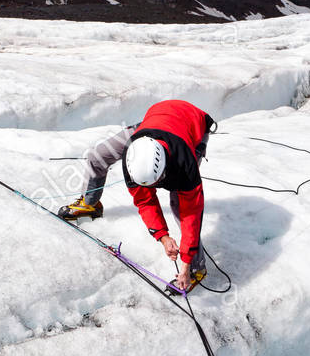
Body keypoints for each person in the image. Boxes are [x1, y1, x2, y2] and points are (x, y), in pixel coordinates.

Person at [58, 99, 215, 293]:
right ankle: (90, 203)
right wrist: (163, 237)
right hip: (156, 121)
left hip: (193, 123)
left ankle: (195, 269)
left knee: (178, 204)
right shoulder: (132, 156)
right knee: (97, 156)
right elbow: (144, 200)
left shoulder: (184, 164)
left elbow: (192, 213)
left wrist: (185, 262)